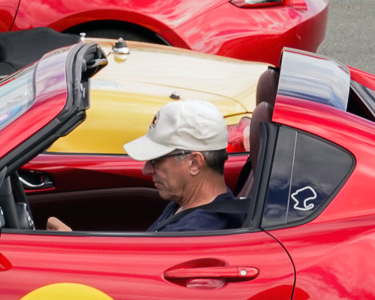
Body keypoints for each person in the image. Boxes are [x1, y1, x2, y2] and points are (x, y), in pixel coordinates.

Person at [45, 99, 247, 232]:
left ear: (194, 163)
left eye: (156, 160)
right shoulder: (186, 204)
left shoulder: (192, 234)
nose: (146, 170)